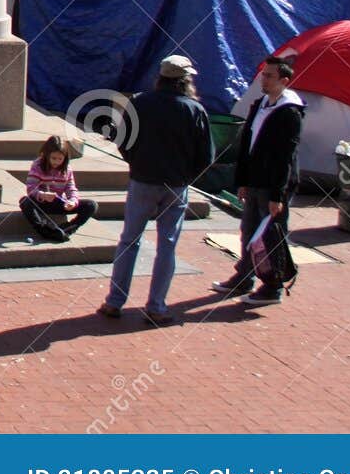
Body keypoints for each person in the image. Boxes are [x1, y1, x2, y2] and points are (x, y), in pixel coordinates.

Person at [98, 54, 214, 326]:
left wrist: (136, 164)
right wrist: (186, 176)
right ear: (186, 81)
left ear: (160, 78)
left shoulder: (141, 103)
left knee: (129, 241)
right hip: (175, 184)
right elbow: (206, 156)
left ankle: (115, 301)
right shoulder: (194, 110)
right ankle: (156, 305)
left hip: (143, 180)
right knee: (167, 246)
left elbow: (123, 140)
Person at [213, 56, 304, 305]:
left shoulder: (290, 113)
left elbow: (286, 156)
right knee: (248, 230)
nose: (264, 79)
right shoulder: (260, 104)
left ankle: (272, 285)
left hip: (272, 184)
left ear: (284, 81)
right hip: (254, 180)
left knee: (271, 235)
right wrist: (242, 180)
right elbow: (247, 145)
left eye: (269, 76)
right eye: (263, 74)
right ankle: (244, 276)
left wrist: (278, 194)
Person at [20, 135, 97, 242]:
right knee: (25, 201)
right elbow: (31, 188)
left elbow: (71, 188)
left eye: (60, 159)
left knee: (91, 205)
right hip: (41, 202)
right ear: (47, 155)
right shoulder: (37, 165)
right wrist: (42, 195)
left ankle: (68, 229)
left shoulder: (67, 169)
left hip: (60, 203)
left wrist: (72, 201)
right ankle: (45, 231)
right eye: (53, 158)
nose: (56, 162)